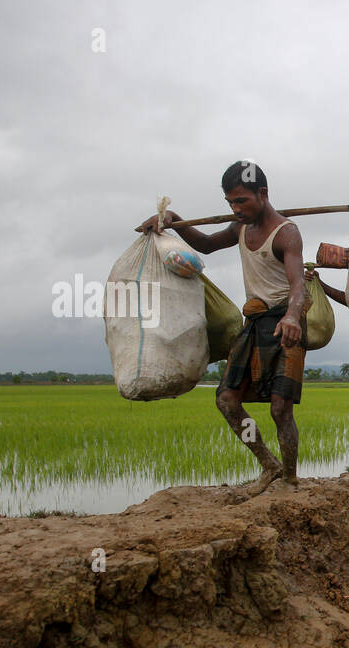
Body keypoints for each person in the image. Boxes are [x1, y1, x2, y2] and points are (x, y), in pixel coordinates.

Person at [140, 161, 319, 495]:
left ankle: (291, 479)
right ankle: (269, 465)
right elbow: (206, 245)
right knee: (227, 400)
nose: (236, 209)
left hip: (285, 321)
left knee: (281, 407)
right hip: (254, 322)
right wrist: (175, 221)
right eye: (230, 203)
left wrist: (293, 317)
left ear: (262, 194)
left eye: (242, 201)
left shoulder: (286, 233)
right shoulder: (241, 227)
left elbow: (298, 286)